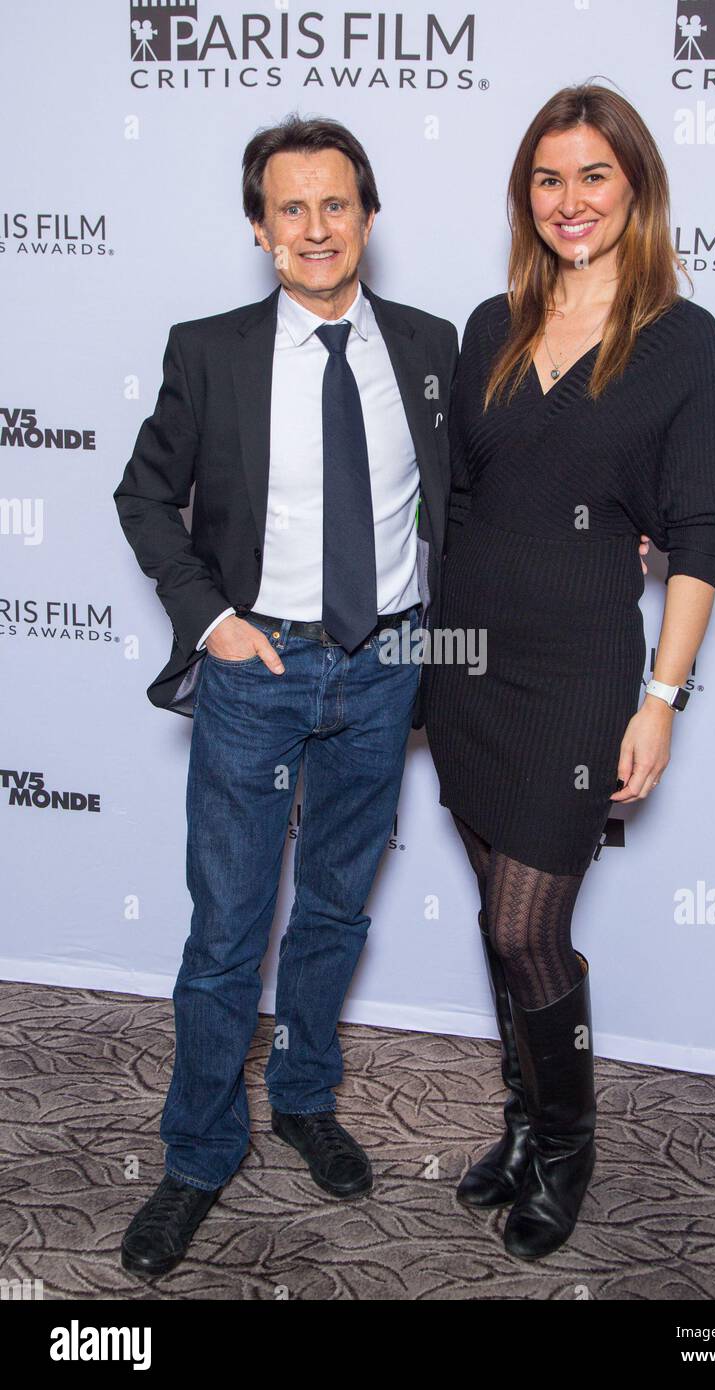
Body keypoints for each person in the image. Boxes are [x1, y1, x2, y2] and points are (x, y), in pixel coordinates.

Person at [112, 115, 459, 1278]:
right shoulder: (207, 351)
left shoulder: (428, 345)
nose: (316, 228)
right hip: (256, 674)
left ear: (367, 214)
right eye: (290, 208)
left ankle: (306, 1096)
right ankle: (198, 1154)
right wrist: (213, 621)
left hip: (384, 662)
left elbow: (481, 490)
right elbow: (145, 496)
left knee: (334, 909)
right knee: (225, 931)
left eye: (336, 204)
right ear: (260, 230)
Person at [424, 84, 715, 1261]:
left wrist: (658, 701)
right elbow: (456, 504)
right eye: (548, 179)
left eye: (593, 176)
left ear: (635, 187)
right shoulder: (488, 322)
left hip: (578, 670)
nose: (570, 201)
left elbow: (699, 535)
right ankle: (520, 1123)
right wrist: (423, 660)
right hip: (466, 662)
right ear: (527, 193)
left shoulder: (680, 339)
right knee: (496, 918)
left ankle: (566, 1146)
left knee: (523, 928)